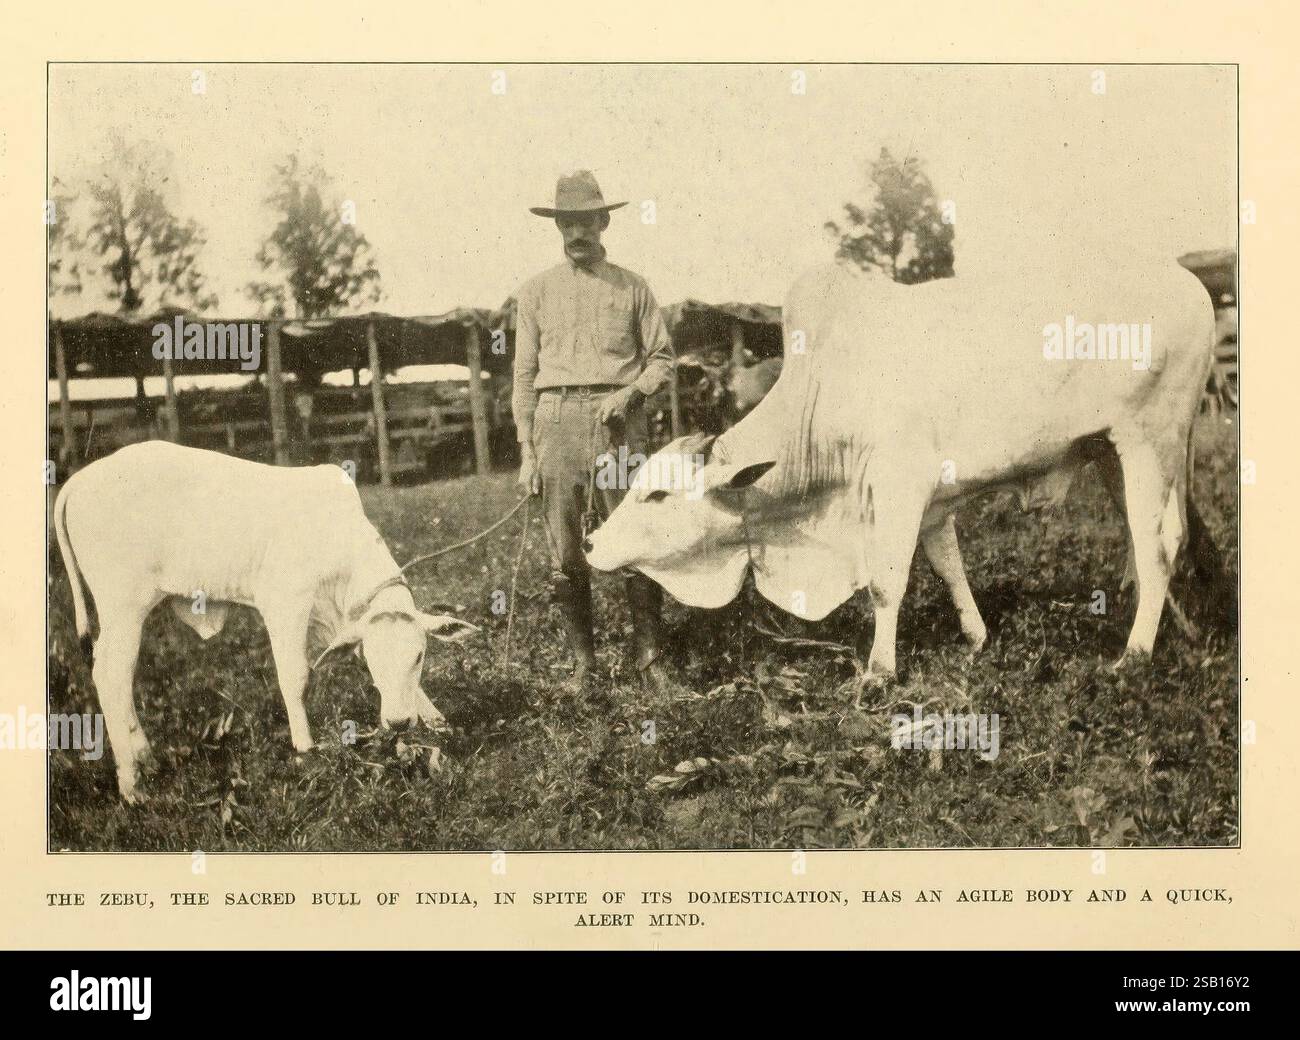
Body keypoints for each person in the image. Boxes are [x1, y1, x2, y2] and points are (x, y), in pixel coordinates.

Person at [512, 170, 686, 695]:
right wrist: (526, 449)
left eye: (585, 220)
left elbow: (662, 359)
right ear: (557, 225)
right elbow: (522, 376)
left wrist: (629, 395)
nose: (576, 232)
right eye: (567, 222)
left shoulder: (633, 286)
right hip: (556, 421)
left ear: (604, 220)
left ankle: (649, 659)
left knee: (635, 534)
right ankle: (583, 667)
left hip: (618, 422)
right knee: (565, 549)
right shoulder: (535, 292)